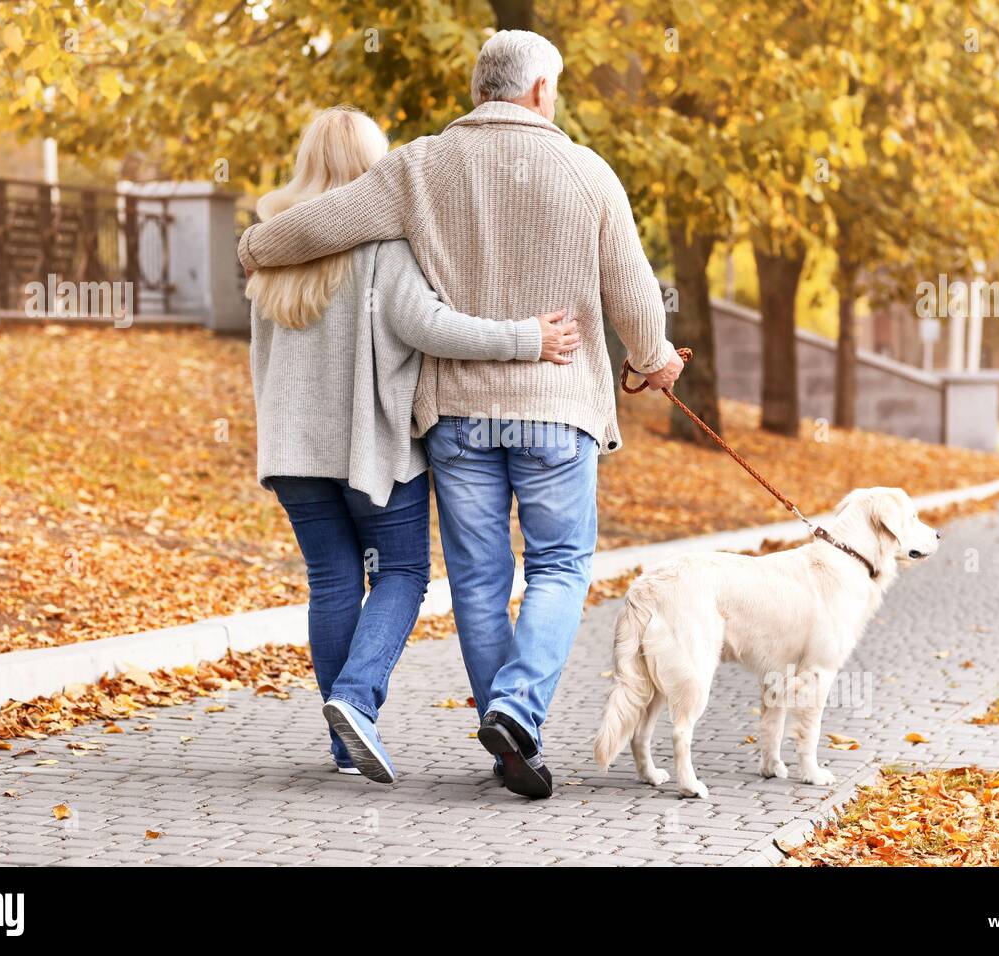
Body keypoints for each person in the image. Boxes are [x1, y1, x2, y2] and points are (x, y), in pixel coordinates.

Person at [239, 32, 683, 799]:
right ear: (541, 90)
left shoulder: (418, 166)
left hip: (458, 418)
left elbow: (318, 225)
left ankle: (507, 734)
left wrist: (255, 245)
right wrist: (657, 360)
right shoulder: (587, 173)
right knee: (560, 565)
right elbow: (636, 299)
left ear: (481, 89)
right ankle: (515, 712)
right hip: (555, 409)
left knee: (479, 580)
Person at [247, 105, 579, 784]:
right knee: (400, 574)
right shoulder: (384, 247)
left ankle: (345, 746)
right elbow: (430, 327)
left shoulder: (273, 251)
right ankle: (355, 699)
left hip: (293, 453)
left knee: (333, 579)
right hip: (372, 453)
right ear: (375, 166)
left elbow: (260, 363)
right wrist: (528, 340)